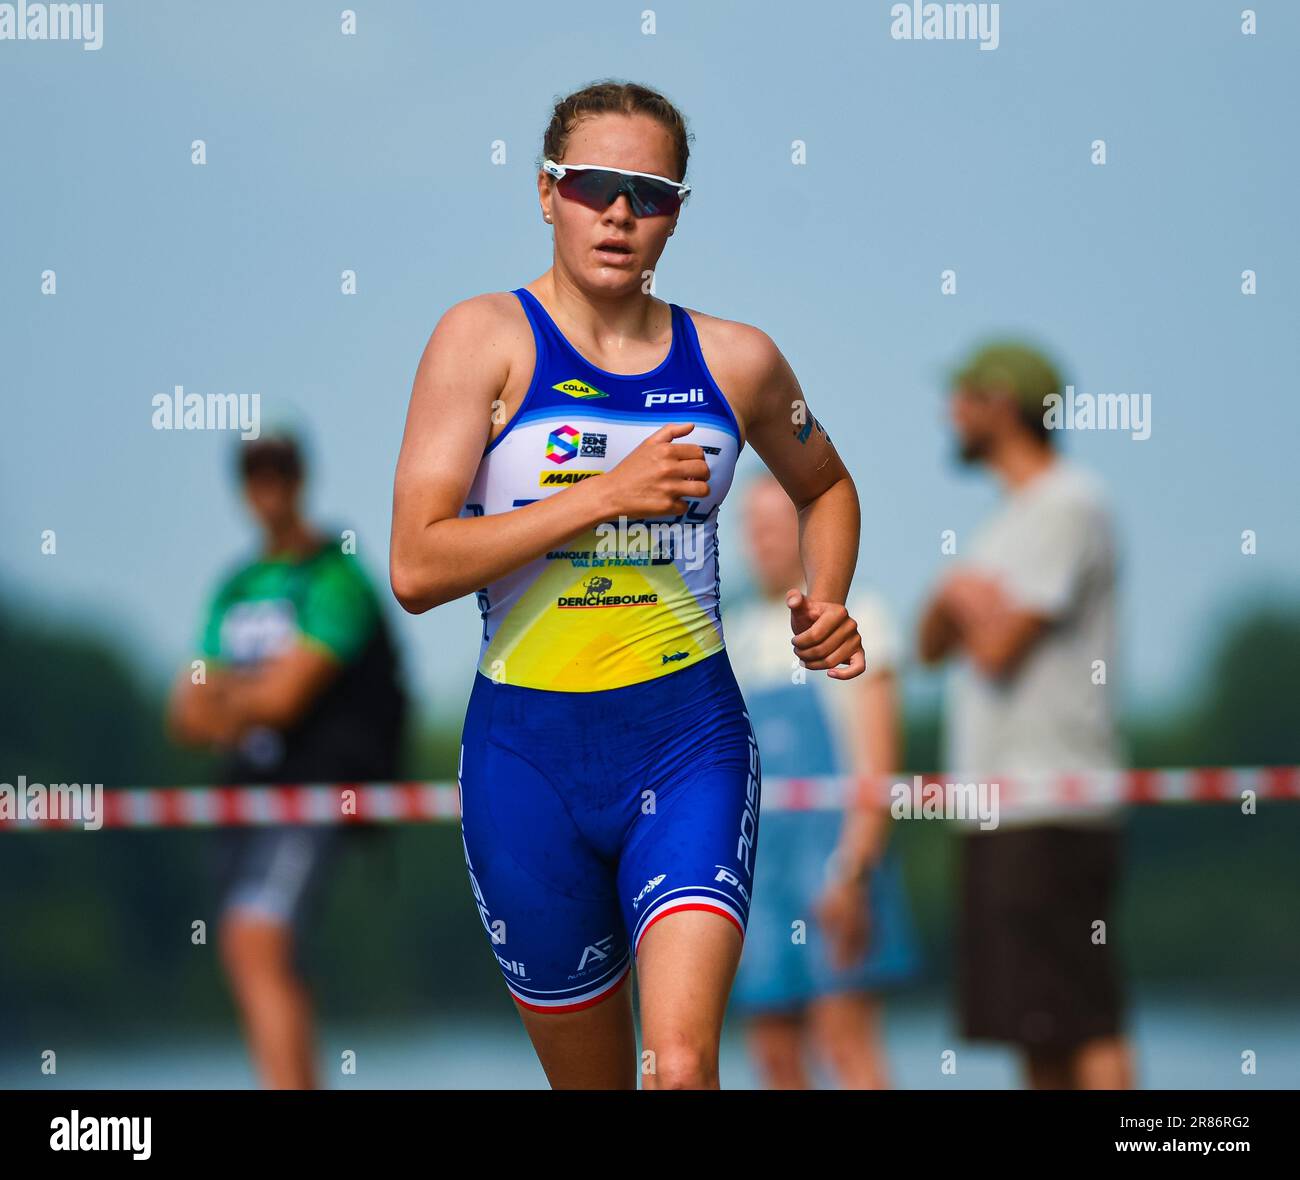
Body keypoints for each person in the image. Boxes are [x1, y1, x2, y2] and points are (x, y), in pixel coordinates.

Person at [389, 80, 866, 1090]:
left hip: (686, 740)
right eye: (593, 185)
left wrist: (826, 596)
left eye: (645, 192)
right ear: (545, 193)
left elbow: (826, 486)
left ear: (676, 212)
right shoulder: (481, 340)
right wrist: (603, 497)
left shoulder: (736, 361)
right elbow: (416, 566)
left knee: (682, 1066)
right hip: (526, 761)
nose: (617, 212)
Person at [917, 341, 1134, 1089]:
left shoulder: (1069, 504)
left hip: (1054, 799)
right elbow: (931, 640)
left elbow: (997, 646)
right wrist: (957, 600)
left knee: (1083, 1018)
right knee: (1033, 1029)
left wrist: (963, 601)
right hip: (1005, 809)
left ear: (1000, 404)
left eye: (962, 396)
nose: (950, 412)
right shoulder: (1005, 524)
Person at [168, 429, 405, 1089]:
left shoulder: (335, 575)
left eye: (280, 472)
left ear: (303, 478)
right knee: (259, 955)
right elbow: (183, 713)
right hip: (248, 794)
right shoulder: (237, 584)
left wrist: (230, 692)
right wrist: (250, 693)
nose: (268, 489)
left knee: (257, 940)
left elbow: (284, 698)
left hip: (313, 795)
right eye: (254, 474)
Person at [726, 474, 920, 1089]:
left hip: (832, 864)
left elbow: (877, 765)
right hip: (756, 873)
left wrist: (855, 871)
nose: (761, 540)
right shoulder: (722, 632)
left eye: (774, 523)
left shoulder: (855, 620)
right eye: (751, 526)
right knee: (773, 1054)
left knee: (846, 1042)